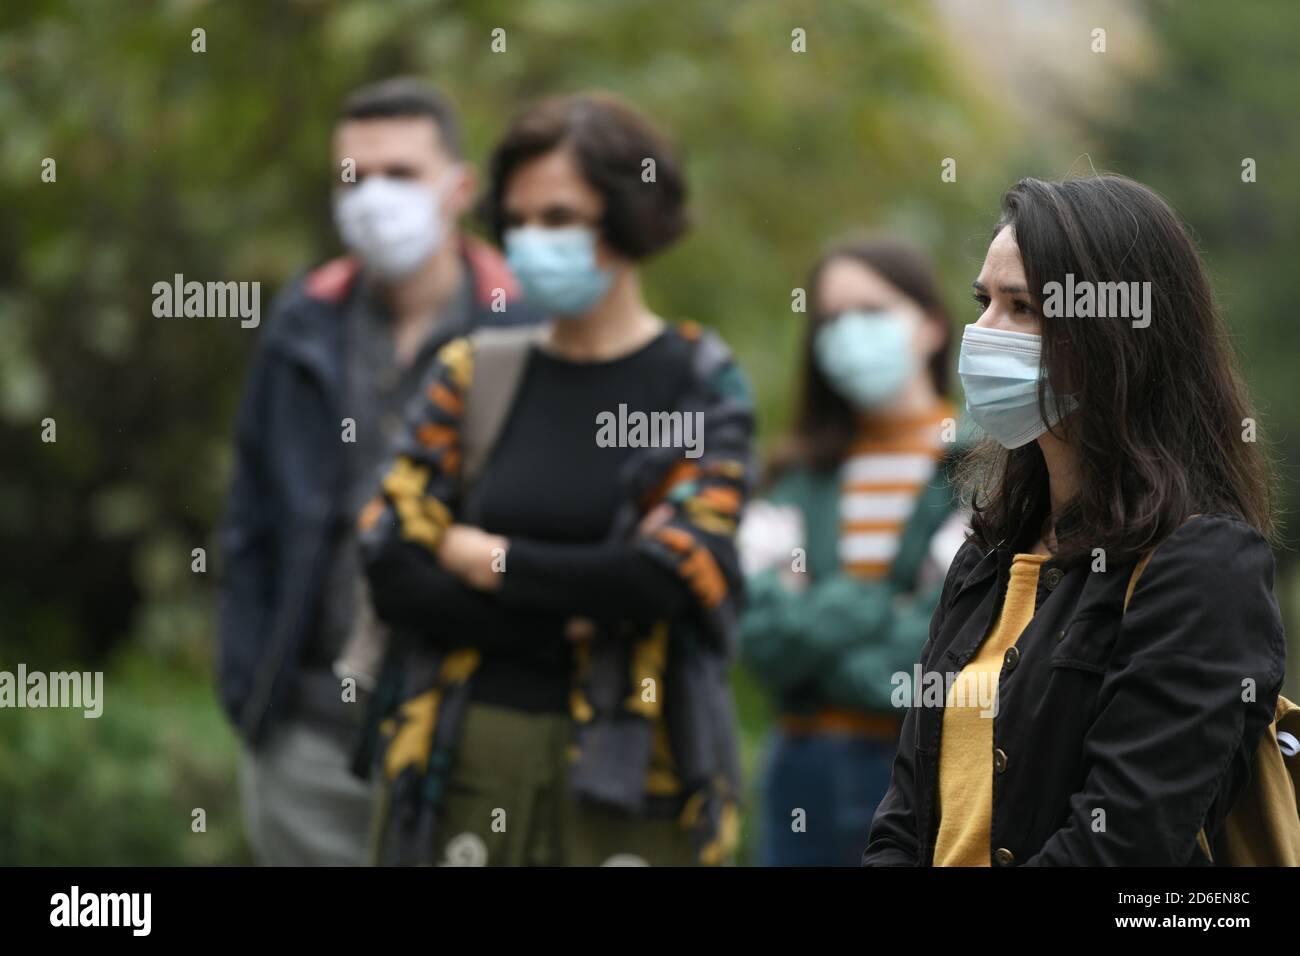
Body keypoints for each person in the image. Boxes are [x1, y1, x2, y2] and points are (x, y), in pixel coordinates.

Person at [358, 92, 755, 867]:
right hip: (464, 766)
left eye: (560, 218)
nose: (532, 241)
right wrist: (571, 605)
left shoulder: (697, 380)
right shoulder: (473, 375)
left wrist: (487, 559)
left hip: (637, 783)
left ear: (629, 216)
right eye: (518, 220)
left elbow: (675, 572)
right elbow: (390, 561)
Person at [864, 174, 1285, 867]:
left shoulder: (1201, 568)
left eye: (1022, 306)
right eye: (983, 301)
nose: (983, 333)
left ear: (1118, 335)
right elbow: (904, 820)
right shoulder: (989, 556)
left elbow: (1124, 843)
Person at [216, 77, 539, 866]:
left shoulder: (524, 321)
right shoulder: (304, 321)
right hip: (306, 740)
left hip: (464, 734)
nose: (374, 197)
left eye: (400, 173)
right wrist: (249, 687)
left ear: (458, 188)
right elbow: (251, 515)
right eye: (355, 178)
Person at [738, 235, 969, 866]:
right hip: (800, 773)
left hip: (924, 769)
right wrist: (879, 606)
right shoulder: (794, 474)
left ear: (929, 324)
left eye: (871, 311)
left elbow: (953, 639)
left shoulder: (982, 467)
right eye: (831, 319)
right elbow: (758, 632)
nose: (848, 332)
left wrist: (818, 629)